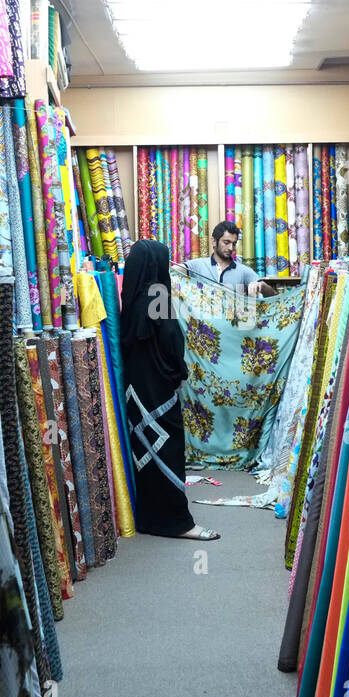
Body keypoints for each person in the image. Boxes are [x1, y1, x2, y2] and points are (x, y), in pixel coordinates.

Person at [120, 239, 219, 540]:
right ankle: (179, 522)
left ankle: (150, 518)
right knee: (168, 448)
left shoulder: (130, 298)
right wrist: (180, 372)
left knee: (145, 452)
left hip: (135, 393)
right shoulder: (158, 295)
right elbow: (171, 341)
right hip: (160, 392)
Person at [185, 221, 276, 296]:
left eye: (234, 244)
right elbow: (173, 272)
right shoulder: (198, 265)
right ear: (213, 241)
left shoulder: (243, 271)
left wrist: (262, 286)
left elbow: (272, 294)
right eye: (226, 242)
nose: (231, 248)